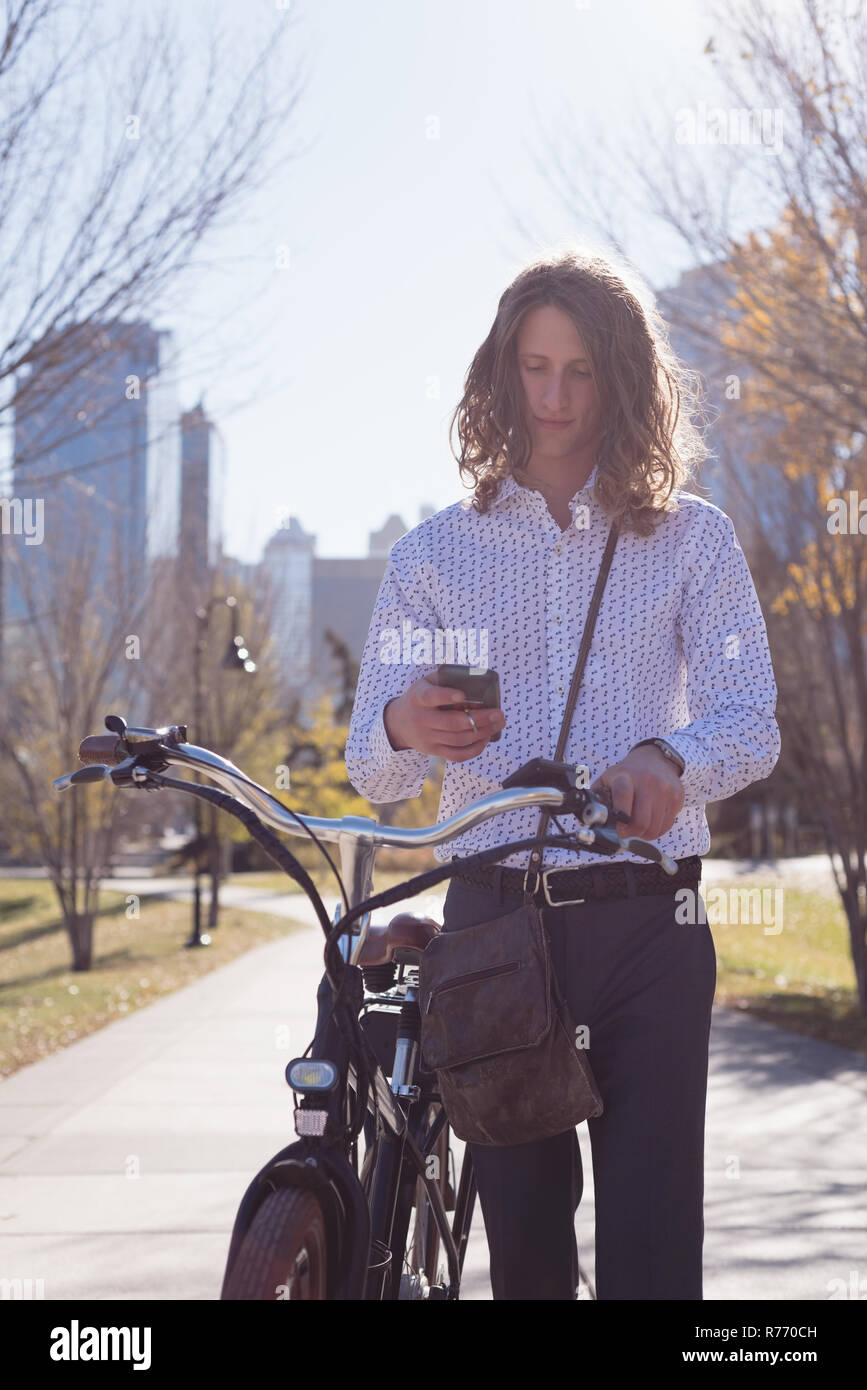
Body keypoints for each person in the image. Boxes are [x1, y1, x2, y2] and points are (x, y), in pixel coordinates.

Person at [344, 247, 781, 1301]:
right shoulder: (434, 554)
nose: (554, 396)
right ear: (502, 373)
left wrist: (671, 759)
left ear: (622, 379)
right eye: (534, 367)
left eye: (580, 370)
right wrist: (409, 717)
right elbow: (370, 765)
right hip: (495, 928)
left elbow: (753, 719)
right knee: (529, 1260)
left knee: (652, 1257)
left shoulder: (693, 538)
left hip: (648, 928)